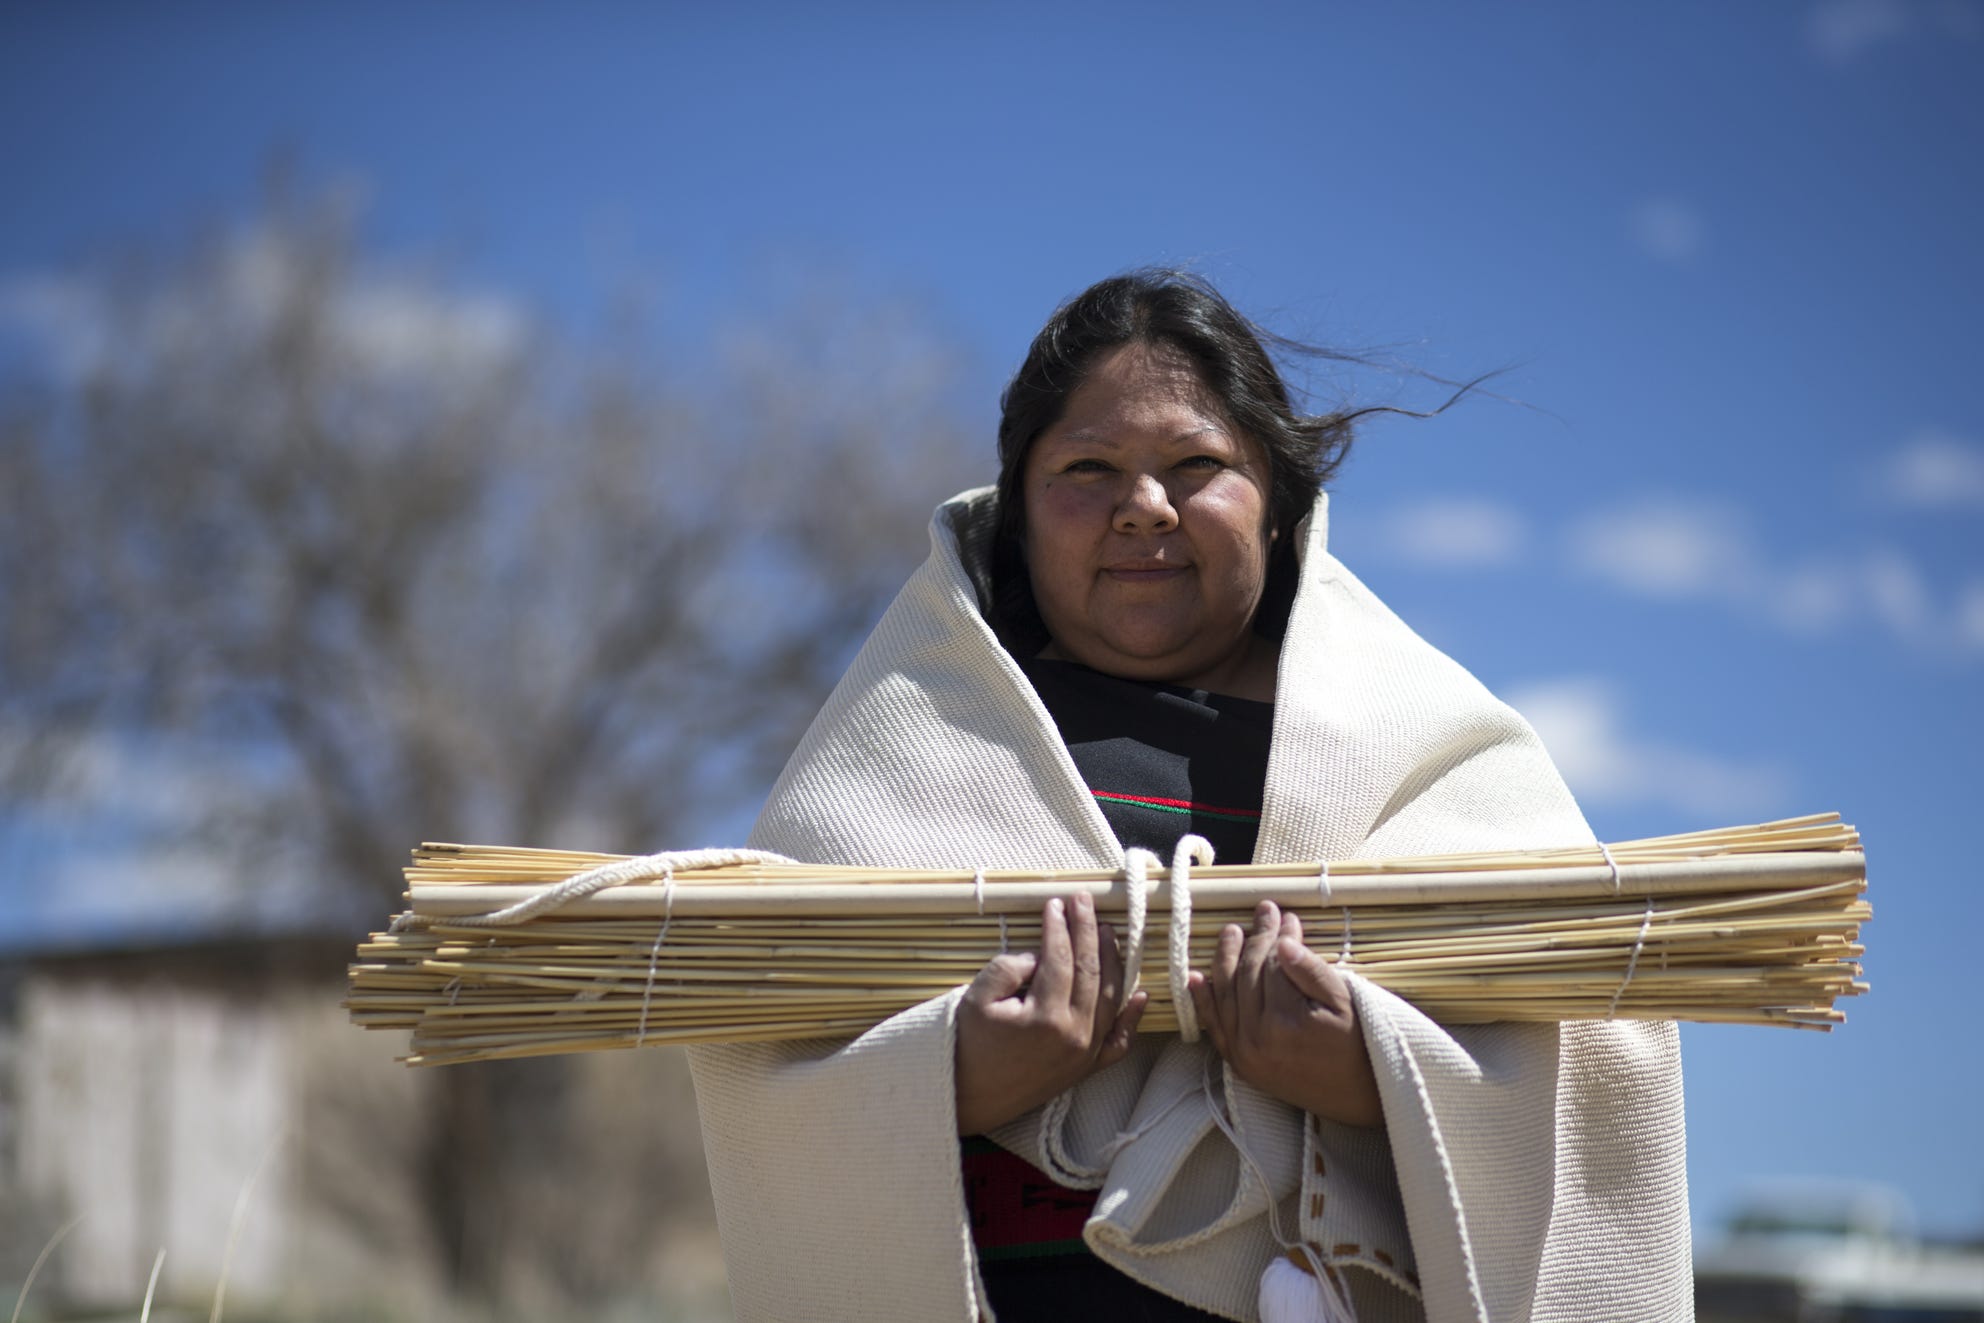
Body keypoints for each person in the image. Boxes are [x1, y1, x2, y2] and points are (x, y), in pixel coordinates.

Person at [687, 272, 1692, 1322]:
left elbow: (1591, 1041)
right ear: (1020, 515)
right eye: (1088, 467)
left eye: (1196, 465)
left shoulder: (1425, 750)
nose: (1144, 506)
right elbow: (762, 1049)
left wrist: (1373, 1072)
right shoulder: (903, 745)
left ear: (1276, 504)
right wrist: (947, 1075)